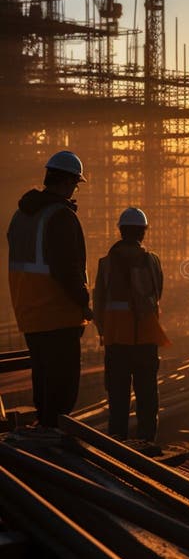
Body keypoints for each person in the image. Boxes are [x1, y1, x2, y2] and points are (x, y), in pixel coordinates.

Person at [7, 150, 93, 434]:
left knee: (43, 378)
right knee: (62, 385)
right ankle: (54, 437)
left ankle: (45, 431)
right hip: (58, 314)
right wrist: (83, 302)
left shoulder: (21, 216)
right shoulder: (60, 217)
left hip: (30, 313)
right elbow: (66, 270)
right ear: (68, 182)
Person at [93, 207, 169, 444]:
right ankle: (147, 443)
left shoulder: (105, 264)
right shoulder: (152, 261)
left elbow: (98, 303)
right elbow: (158, 293)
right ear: (143, 233)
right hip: (146, 338)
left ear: (121, 231)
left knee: (118, 398)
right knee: (147, 397)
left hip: (116, 341)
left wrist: (104, 331)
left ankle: (117, 446)